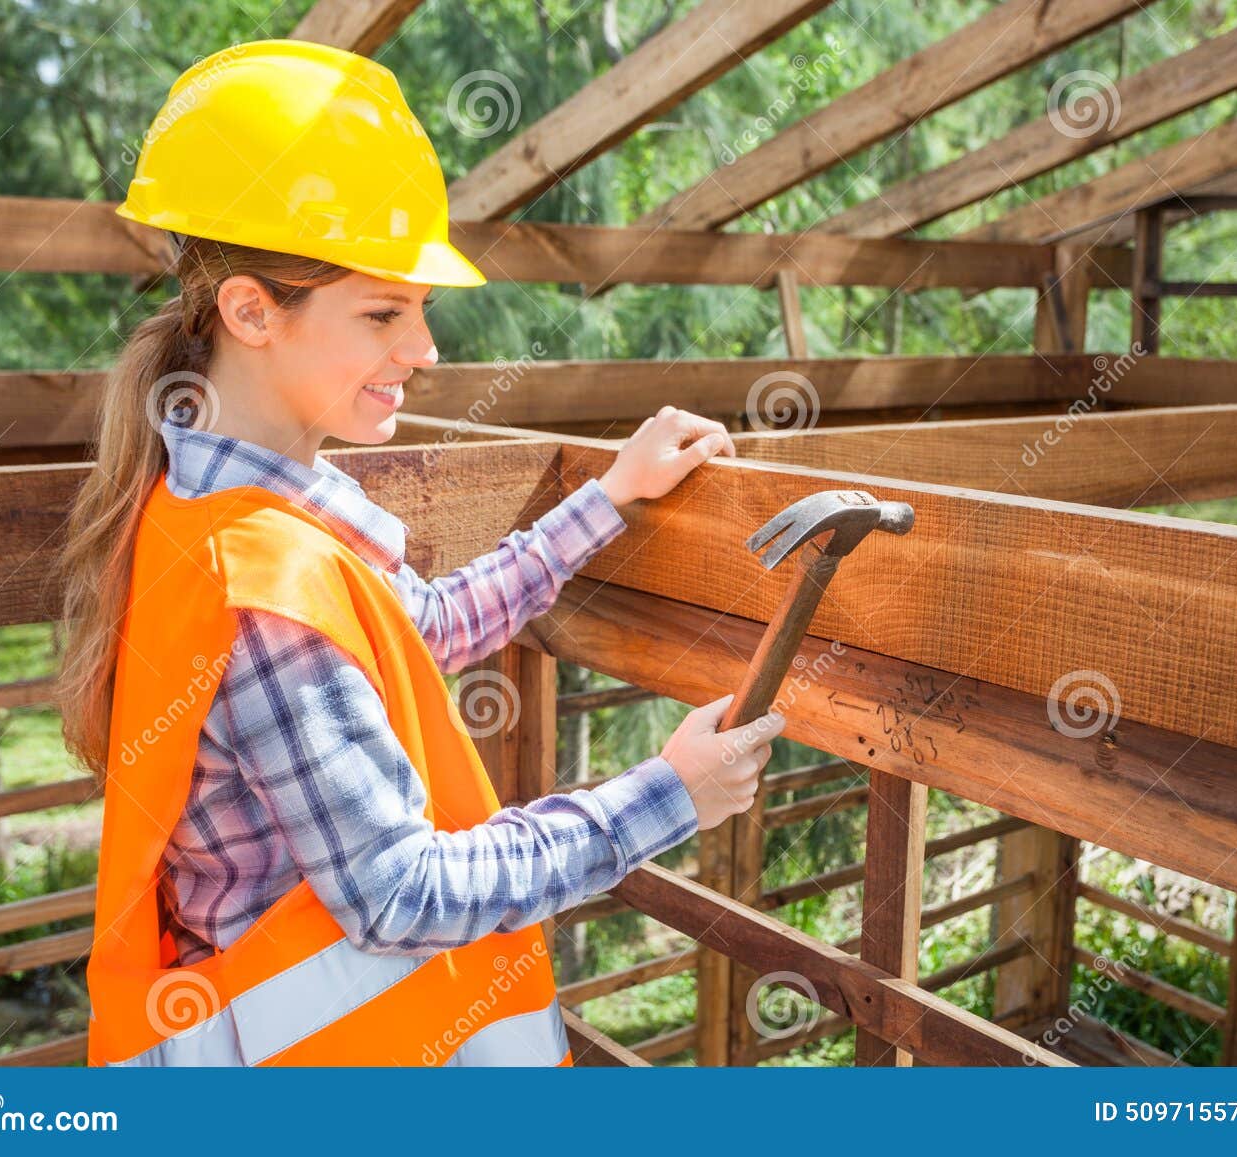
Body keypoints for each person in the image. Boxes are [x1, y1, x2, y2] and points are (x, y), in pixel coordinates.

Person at [55, 39, 784, 1068]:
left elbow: (423, 622)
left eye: (422, 310)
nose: (425, 351)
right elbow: (404, 893)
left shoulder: (224, 507)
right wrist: (671, 792)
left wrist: (610, 494)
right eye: (383, 312)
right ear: (252, 311)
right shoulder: (260, 584)